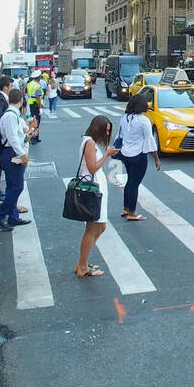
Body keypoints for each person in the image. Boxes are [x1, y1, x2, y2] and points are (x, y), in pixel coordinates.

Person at [74, 115, 119, 278]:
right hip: (93, 191)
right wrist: (106, 154)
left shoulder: (88, 141)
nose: (107, 134)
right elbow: (92, 168)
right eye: (105, 130)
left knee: (99, 227)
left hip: (96, 189)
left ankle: (82, 263)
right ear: (97, 128)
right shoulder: (90, 143)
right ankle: (83, 266)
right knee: (93, 228)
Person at [115, 94, 160, 220]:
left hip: (125, 154)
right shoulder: (144, 120)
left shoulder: (124, 118)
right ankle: (132, 213)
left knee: (130, 180)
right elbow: (150, 140)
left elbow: (120, 135)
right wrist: (156, 159)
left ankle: (126, 208)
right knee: (135, 183)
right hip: (139, 155)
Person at [0, 88, 31, 231]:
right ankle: (0, 215)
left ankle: (13, 216)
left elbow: (16, 137)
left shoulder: (13, 115)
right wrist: (22, 154)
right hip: (11, 153)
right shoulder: (10, 116)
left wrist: (26, 138)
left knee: (12, 186)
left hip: (12, 151)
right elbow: (13, 138)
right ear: (21, 100)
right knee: (17, 186)